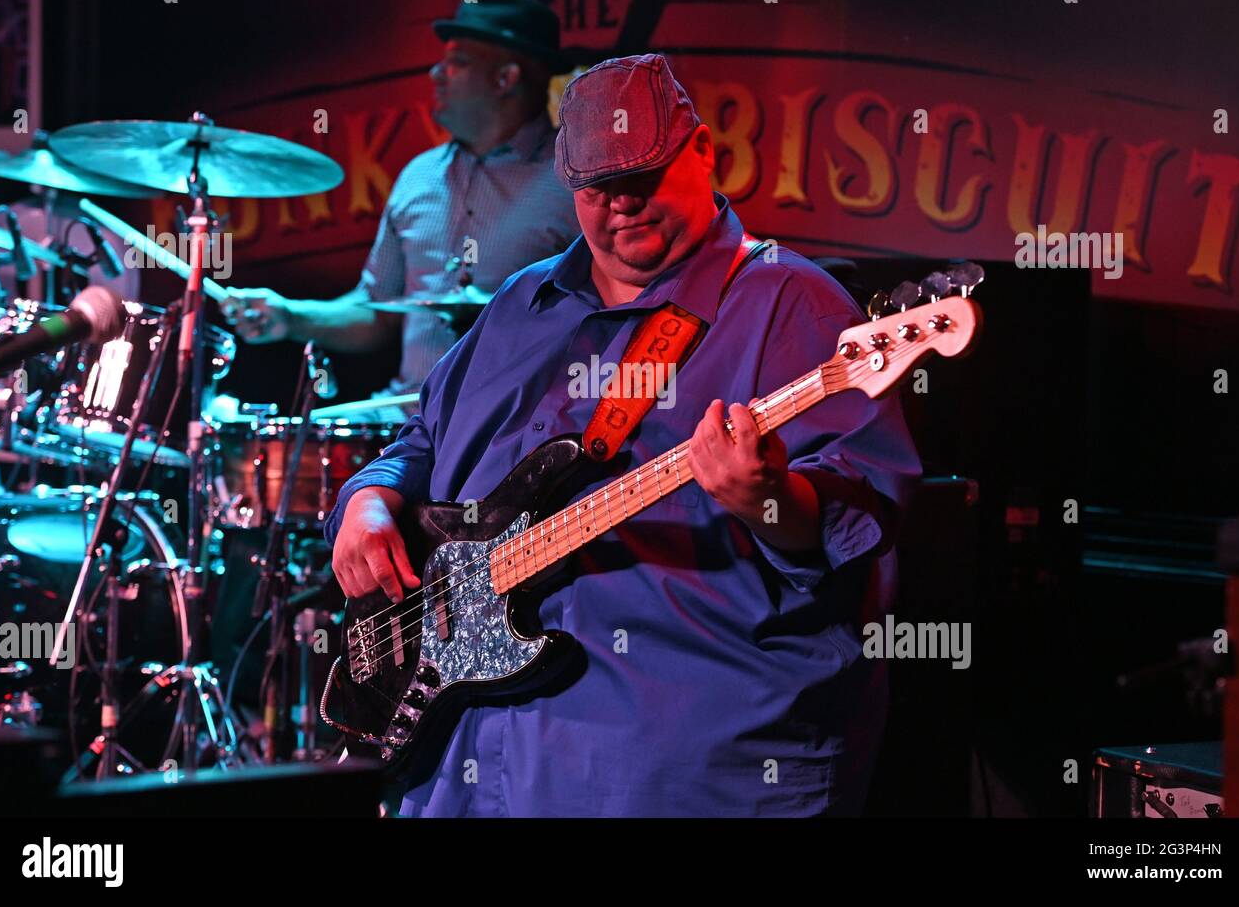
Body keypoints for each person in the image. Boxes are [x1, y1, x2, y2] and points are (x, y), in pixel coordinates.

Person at [325, 53, 922, 816]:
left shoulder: (792, 306)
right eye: (599, 187)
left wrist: (767, 498)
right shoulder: (519, 304)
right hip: (464, 766)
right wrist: (370, 497)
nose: (623, 205)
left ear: (701, 153)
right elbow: (422, 438)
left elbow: (858, 523)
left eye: (645, 176)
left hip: (668, 773)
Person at [219, 0, 579, 414]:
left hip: (527, 422)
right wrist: (290, 315)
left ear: (506, 78)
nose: (436, 73)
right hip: (411, 417)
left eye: (457, 61)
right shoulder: (418, 176)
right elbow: (378, 311)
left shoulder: (575, 178)